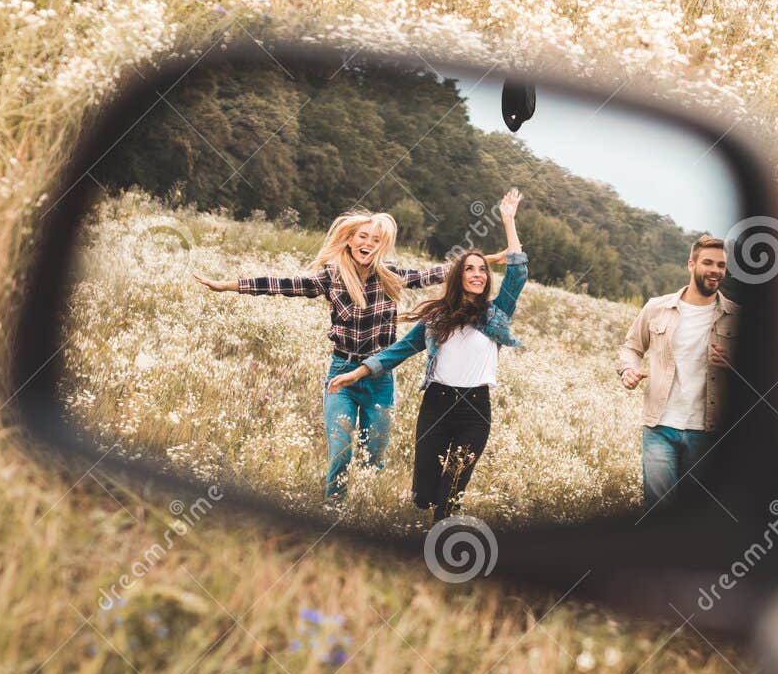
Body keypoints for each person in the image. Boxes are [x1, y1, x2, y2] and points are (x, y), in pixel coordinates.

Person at [192, 211, 510, 499]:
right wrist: (228, 286)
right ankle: (334, 509)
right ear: (349, 239)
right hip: (340, 372)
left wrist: (493, 257)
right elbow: (281, 284)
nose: (368, 244)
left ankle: (365, 505)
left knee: (373, 456)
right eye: (363, 237)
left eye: (375, 240)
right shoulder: (330, 278)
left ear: (381, 246)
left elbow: (437, 273)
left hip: (380, 379)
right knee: (341, 451)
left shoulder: (390, 277)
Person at [329, 189, 527, 521]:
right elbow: (398, 351)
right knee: (424, 493)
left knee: (452, 488)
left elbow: (518, 273)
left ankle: (439, 542)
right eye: (469, 269)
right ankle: (426, 510)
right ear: (459, 277)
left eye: (482, 269)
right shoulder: (436, 317)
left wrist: (508, 220)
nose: (477, 274)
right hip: (437, 403)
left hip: (475, 408)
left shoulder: (496, 314)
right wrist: (357, 372)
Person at [617, 235, 738, 508]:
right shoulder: (656, 307)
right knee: (659, 508)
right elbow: (631, 348)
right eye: (708, 262)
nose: (715, 270)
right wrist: (628, 370)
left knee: (692, 512)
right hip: (659, 427)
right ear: (691, 264)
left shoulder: (736, 316)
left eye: (721, 265)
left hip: (708, 433)